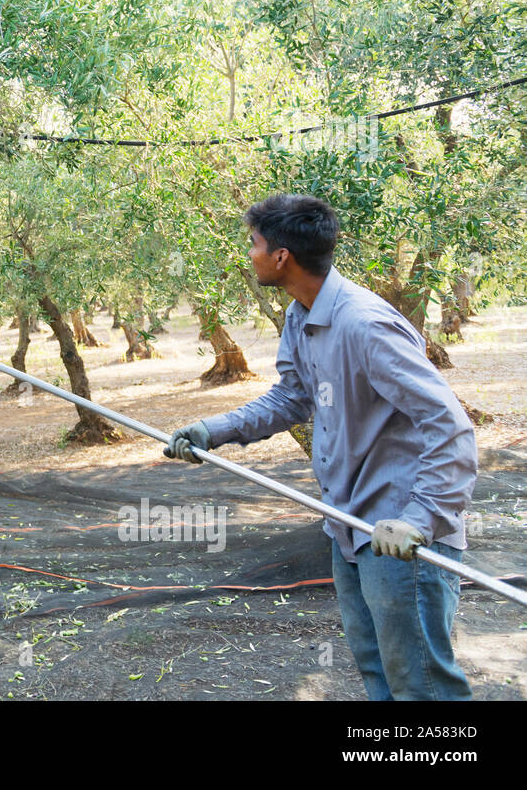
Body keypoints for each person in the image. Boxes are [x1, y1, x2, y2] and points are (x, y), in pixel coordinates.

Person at [164, 193, 476, 700]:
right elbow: (291, 398)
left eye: (254, 244)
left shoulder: (364, 324)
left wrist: (421, 519)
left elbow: (450, 423)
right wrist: (213, 429)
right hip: (350, 528)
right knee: (378, 671)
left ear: (282, 256)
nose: (250, 255)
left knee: (421, 684)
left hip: (400, 533)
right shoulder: (300, 316)